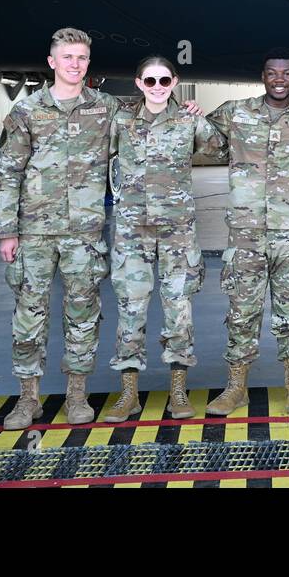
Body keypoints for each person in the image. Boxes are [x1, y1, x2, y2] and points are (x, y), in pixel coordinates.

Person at [0, 27, 119, 430]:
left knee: (83, 314)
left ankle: (76, 396)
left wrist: (178, 109)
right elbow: (9, 173)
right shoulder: (27, 112)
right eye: (67, 57)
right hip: (33, 232)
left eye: (82, 57)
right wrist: (7, 232)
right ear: (52, 62)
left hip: (84, 233)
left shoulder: (105, 108)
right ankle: (27, 399)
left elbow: (146, 123)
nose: (75, 64)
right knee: (28, 315)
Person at [205, 53, 289, 415]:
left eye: (287, 74)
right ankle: (236, 387)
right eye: (273, 73)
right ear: (263, 76)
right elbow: (202, 140)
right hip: (246, 233)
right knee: (241, 313)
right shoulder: (234, 113)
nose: (280, 79)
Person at [101, 56, 225, 422]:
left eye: (164, 80)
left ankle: (178, 392)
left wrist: (199, 116)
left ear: (175, 81)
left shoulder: (188, 120)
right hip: (132, 233)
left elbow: (219, 146)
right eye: (150, 81)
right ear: (138, 83)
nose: (158, 87)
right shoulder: (120, 119)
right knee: (130, 311)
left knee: (179, 312)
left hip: (177, 233)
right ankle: (128, 395)